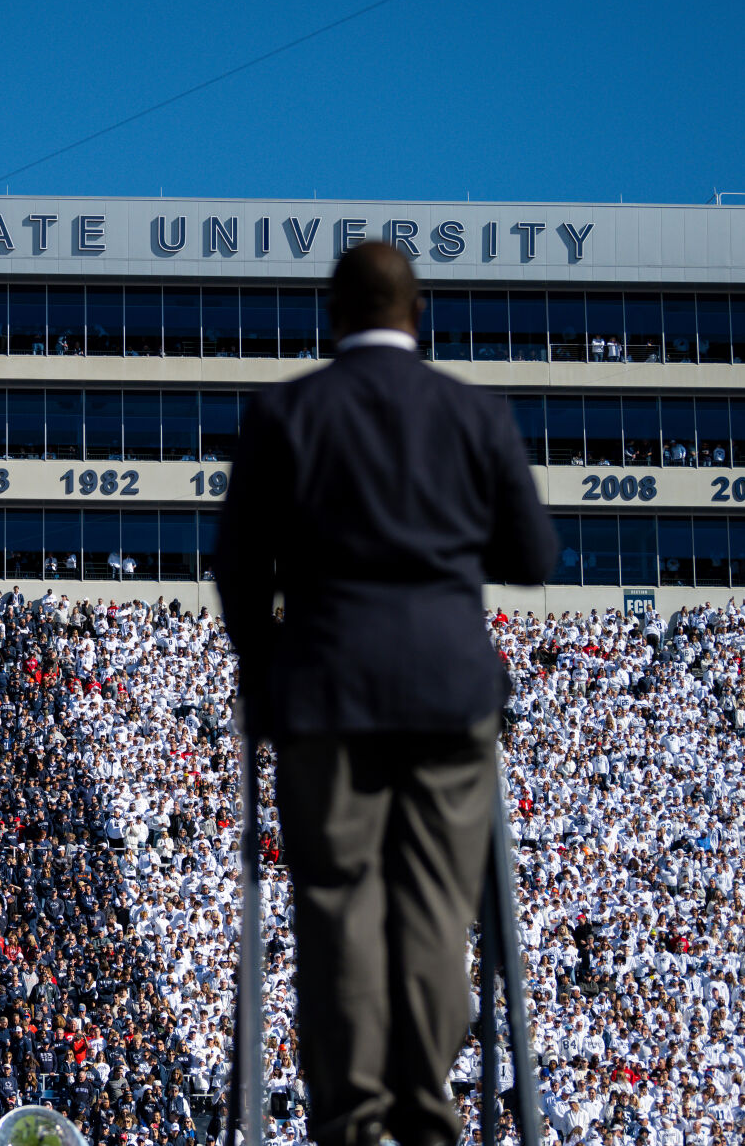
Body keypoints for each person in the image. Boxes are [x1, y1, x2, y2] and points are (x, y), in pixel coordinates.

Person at [216, 241, 557, 1146]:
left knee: (340, 904)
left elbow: (239, 572)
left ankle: (355, 1118)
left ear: (332, 317)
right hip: (447, 692)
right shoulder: (472, 413)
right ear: (418, 315)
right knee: (438, 908)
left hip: (326, 690)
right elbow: (532, 558)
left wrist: (265, 660)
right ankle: (425, 1104)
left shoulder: (285, 413)